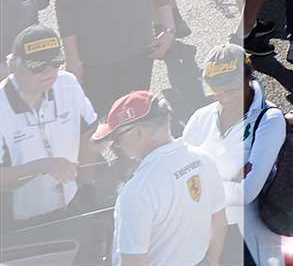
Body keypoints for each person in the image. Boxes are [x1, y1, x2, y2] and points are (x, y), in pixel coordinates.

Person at [1, 25, 103, 265]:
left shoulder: (68, 84)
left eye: (55, 62)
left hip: (71, 205)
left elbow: (88, 132)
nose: (49, 72)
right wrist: (43, 166)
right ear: (13, 66)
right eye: (38, 66)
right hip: (20, 222)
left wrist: (87, 185)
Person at [96, 90, 221, 266]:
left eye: (117, 138)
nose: (116, 146)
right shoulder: (203, 158)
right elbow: (219, 219)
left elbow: (132, 261)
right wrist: (212, 262)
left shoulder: (137, 191)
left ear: (138, 132)